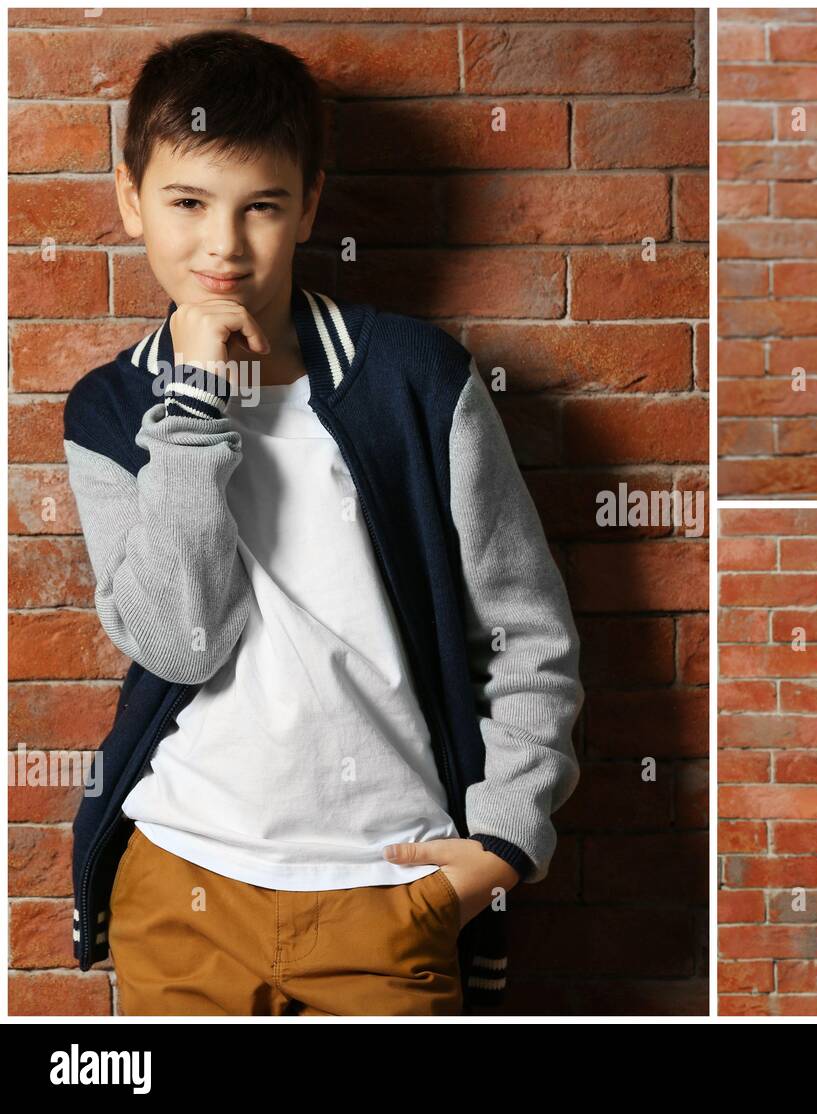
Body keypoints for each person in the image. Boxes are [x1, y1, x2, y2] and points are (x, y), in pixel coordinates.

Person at [62, 29, 583, 1016]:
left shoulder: (413, 379)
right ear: (132, 201)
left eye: (259, 206)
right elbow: (181, 641)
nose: (222, 246)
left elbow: (526, 630)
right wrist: (197, 408)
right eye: (187, 203)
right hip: (181, 886)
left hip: (388, 886)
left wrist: (501, 844)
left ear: (308, 204)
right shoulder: (109, 409)